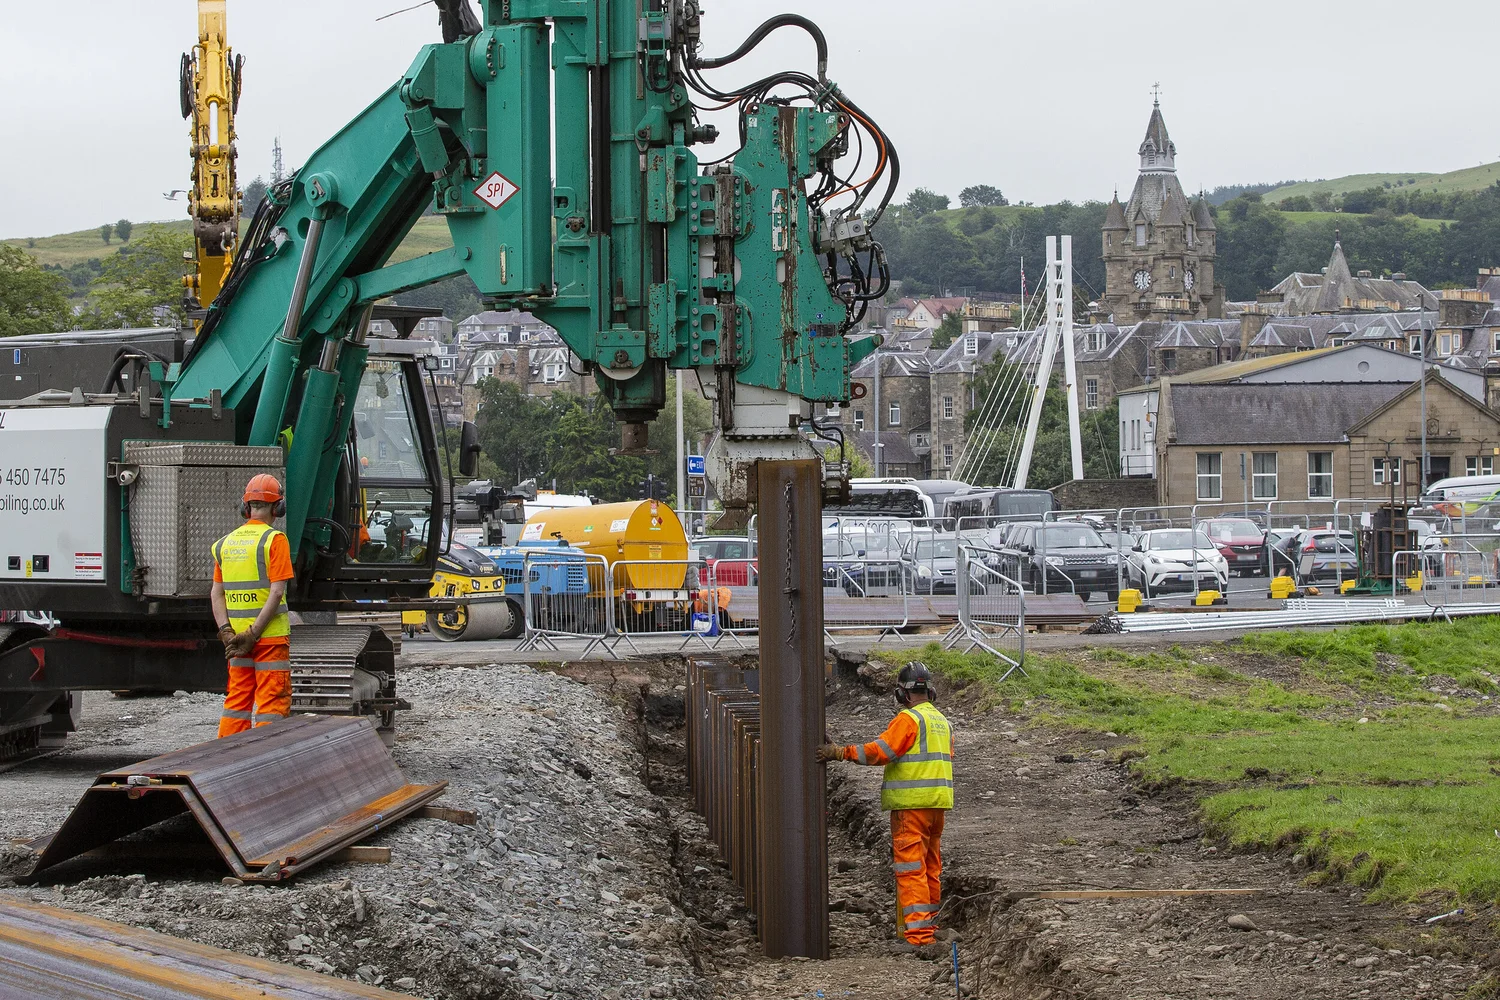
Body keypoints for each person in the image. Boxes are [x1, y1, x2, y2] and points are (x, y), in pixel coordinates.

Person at [817, 661, 953, 952]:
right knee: (930, 866)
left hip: (910, 807)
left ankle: (918, 937)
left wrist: (841, 752)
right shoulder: (942, 721)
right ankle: (929, 926)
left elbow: (881, 752)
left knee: (910, 868)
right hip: (937, 807)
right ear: (931, 691)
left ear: (902, 694)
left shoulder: (909, 719)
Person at [210, 474, 295, 737]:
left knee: (237, 702)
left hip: (235, 639)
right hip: (268, 638)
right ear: (277, 507)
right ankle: (266, 762)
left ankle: (227, 757)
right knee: (271, 703)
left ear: (246, 507)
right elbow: (277, 592)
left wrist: (226, 631)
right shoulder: (274, 540)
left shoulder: (224, 543)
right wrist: (254, 633)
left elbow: (216, 593)